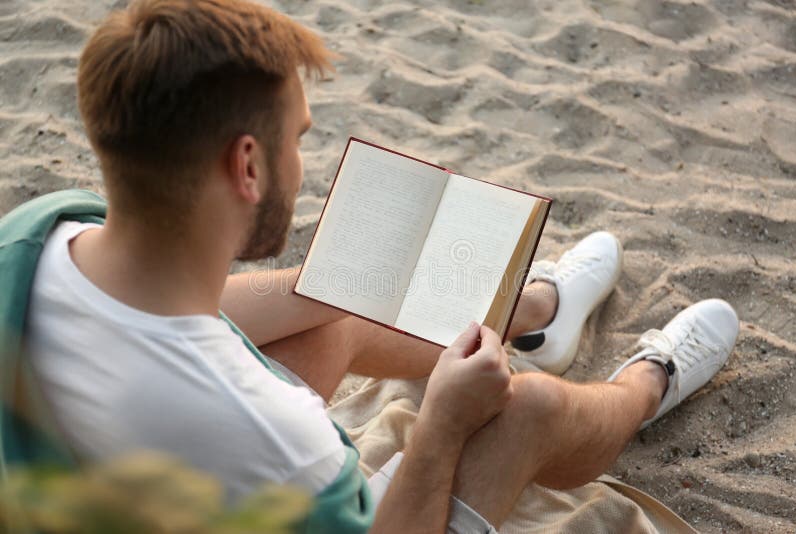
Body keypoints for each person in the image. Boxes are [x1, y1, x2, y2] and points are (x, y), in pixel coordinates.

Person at [0, 0, 739, 532]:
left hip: (116, 481)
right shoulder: (271, 434)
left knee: (335, 316)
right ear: (248, 165)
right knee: (532, 411)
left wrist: (320, 283)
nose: (302, 159)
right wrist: (444, 423)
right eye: (298, 137)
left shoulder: (38, 235)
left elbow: (187, 309)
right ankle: (649, 383)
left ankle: (531, 314)